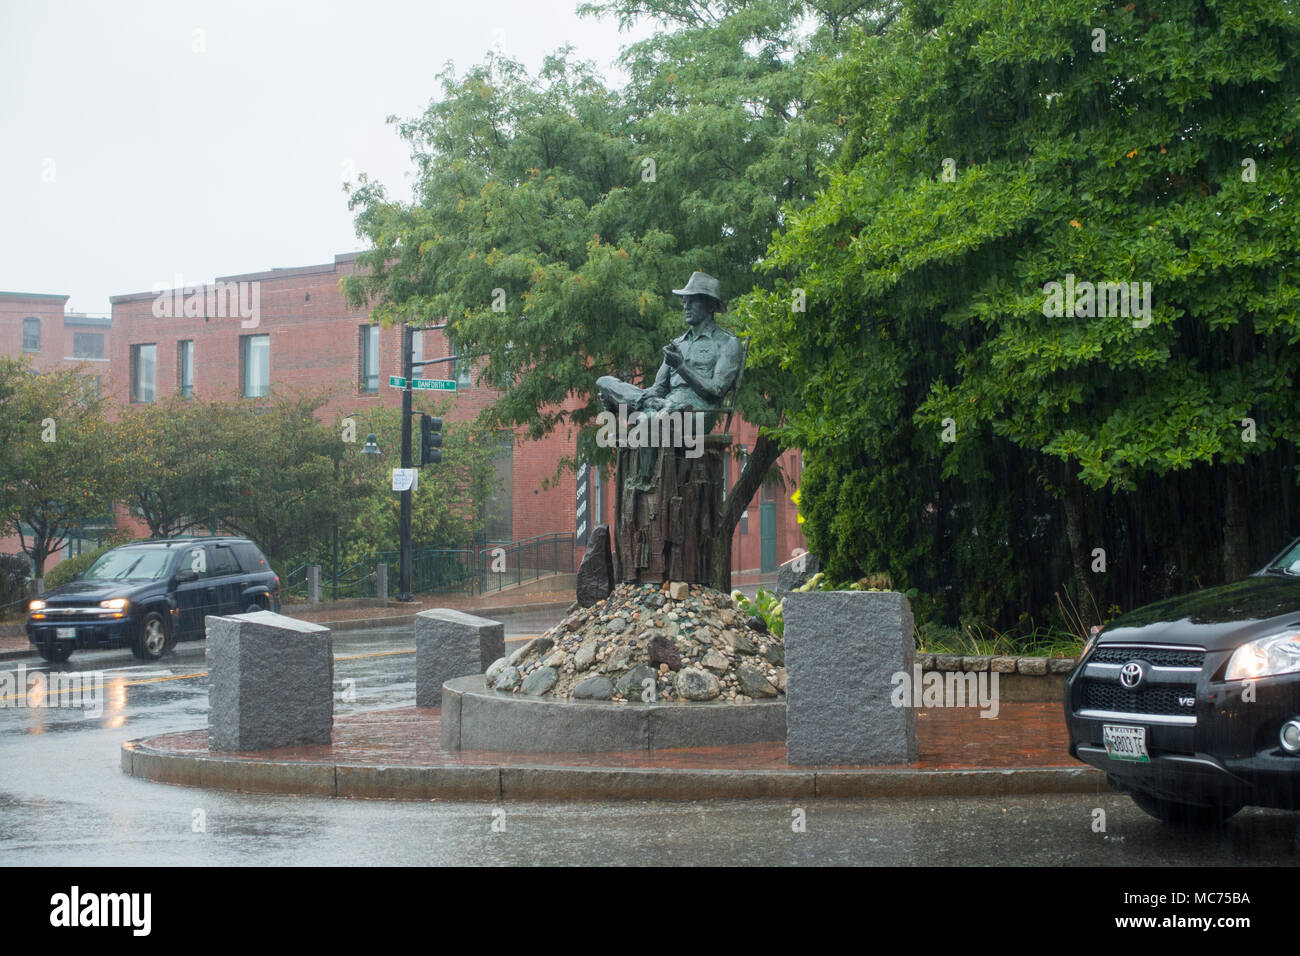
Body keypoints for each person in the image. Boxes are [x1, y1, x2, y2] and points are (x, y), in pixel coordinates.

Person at [596, 272, 744, 430]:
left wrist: (681, 366)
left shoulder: (727, 343)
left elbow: (716, 391)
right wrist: (616, 396)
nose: (686, 306)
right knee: (604, 382)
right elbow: (658, 389)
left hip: (698, 414)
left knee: (649, 422)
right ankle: (657, 405)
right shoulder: (678, 344)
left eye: (692, 301)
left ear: (711, 305)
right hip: (664, 407)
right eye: (684, 301)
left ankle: (660, 407)